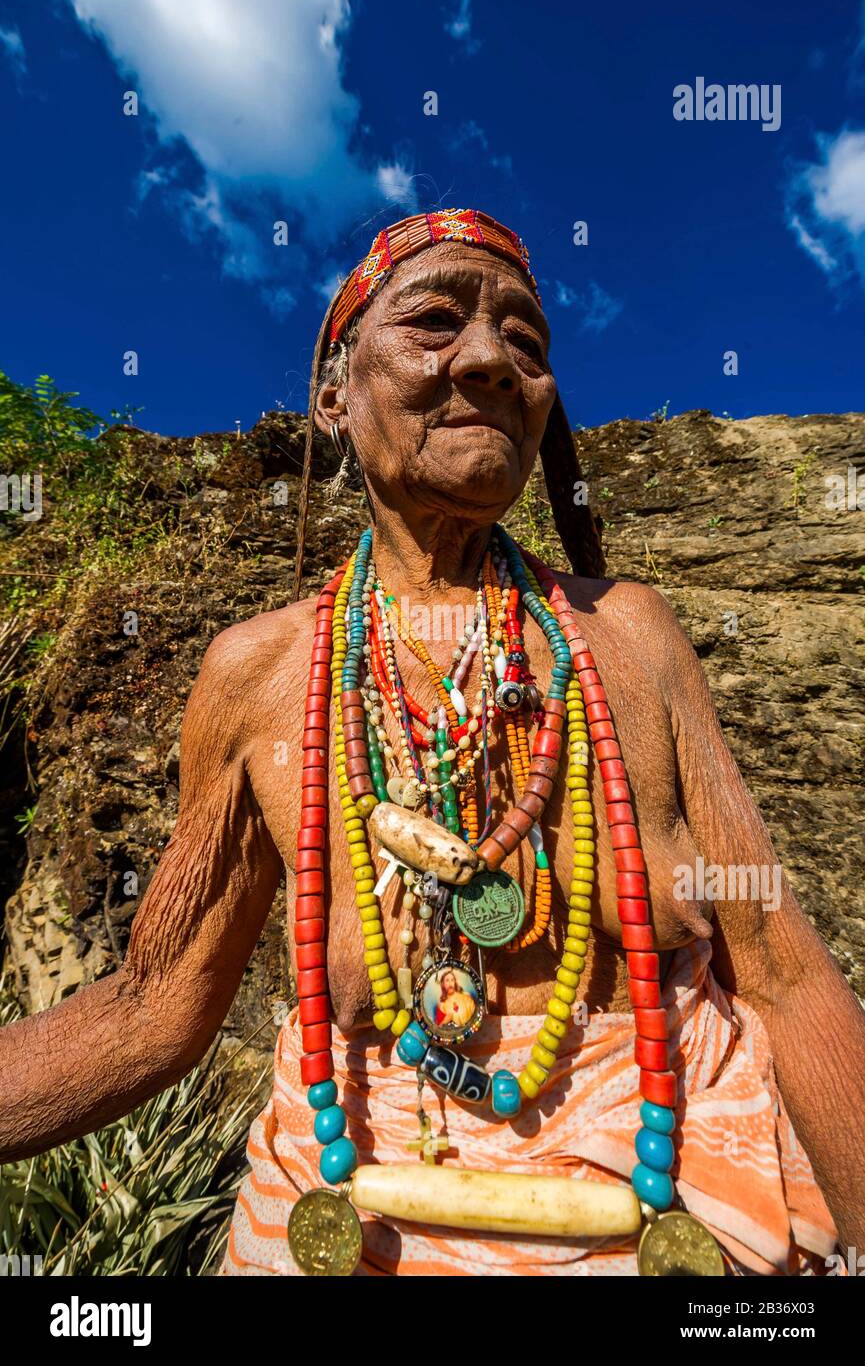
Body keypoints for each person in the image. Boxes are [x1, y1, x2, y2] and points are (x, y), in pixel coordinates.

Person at [1, 209, 863, 1278]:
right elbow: (150, 1009)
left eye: (529, 344)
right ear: (332, 395)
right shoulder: (258, 678)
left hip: (666, 1189)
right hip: (349, 1193)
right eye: (436, 319)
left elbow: (784, 975)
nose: (494, 359)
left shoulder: (630, 641)